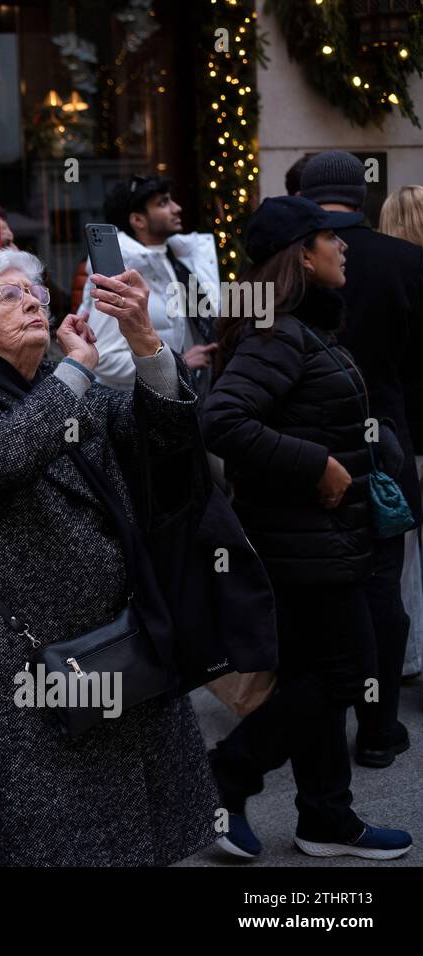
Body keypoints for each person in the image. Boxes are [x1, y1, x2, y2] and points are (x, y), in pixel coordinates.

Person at [0, 247, 220, 866]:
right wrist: (76, 373)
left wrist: (144, 342)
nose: (33, 300)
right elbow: (0, 454)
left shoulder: (62, 384)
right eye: (9, 295)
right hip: (35, 664)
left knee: (141, 827)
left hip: (123, 640)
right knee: (67, 837)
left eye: (35, 293)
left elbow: (162, 438)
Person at [202, 195, 413, 860]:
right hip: (302, 545)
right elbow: (222, 420)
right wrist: (315, 464)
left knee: (312, 678)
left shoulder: (304, 327)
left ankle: (325, 817)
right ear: (301, 254)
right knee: (347, 677)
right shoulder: (280, 333)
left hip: (319, 540)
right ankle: (223, 774)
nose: (344, 246)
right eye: (330, 236)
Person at [301, 152, 423, 766]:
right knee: (381, 584)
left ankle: (312, 726)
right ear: (361, 194)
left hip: (300, 450)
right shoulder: (406, 260)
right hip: (385, 448)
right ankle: (377, 728)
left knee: (312, 587)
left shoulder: (284, 262)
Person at [80, 175, 220, 399]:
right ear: (138, 220)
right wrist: (179, 363)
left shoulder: (177, 260)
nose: (177, 208)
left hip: (178, 400)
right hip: (134, 410)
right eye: (163, 203)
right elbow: (103, 358)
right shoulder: (117, 274)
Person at [379, 184, 423, 681]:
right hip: (410, 424)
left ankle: (409, 658)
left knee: (402, 546)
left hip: (394, 430)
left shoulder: (371, 274)